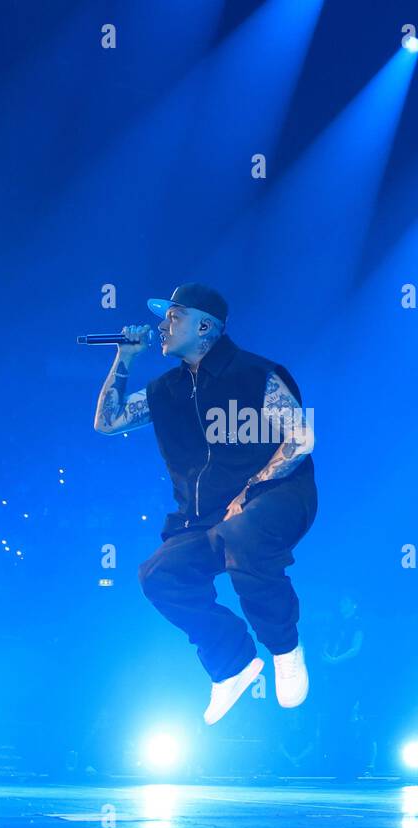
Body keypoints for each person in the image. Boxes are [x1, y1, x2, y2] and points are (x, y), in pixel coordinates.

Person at [93, 283, 318, 725]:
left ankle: (285, 648)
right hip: (205, 516)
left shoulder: (256, 374)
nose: (162, 326)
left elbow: (299, 438)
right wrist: (125, 358)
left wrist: (250, 491)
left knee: (243, 533)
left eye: (173, 317)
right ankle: (232, 663)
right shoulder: (165, 391)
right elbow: (107, 422)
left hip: (278, 495)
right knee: (159, 575)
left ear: (205, 326)